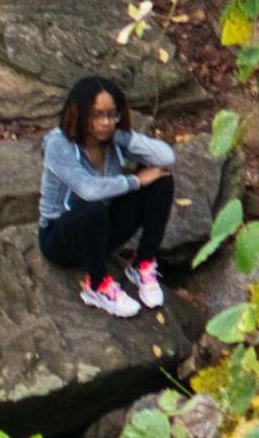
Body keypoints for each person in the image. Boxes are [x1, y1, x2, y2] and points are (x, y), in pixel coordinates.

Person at [37, 77, 180, 320]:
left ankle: (142, 263)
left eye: (112, 115)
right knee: (92, 207)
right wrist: (135, 181)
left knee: (162, 180)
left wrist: (126, 137)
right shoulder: (58, 144)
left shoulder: (113, 139)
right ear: (80, 114)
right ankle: (97, 285)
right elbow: (89, 190)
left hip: (101, 232)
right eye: (98, 115)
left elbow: (166, 157)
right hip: (61, 239)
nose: (106, 123)